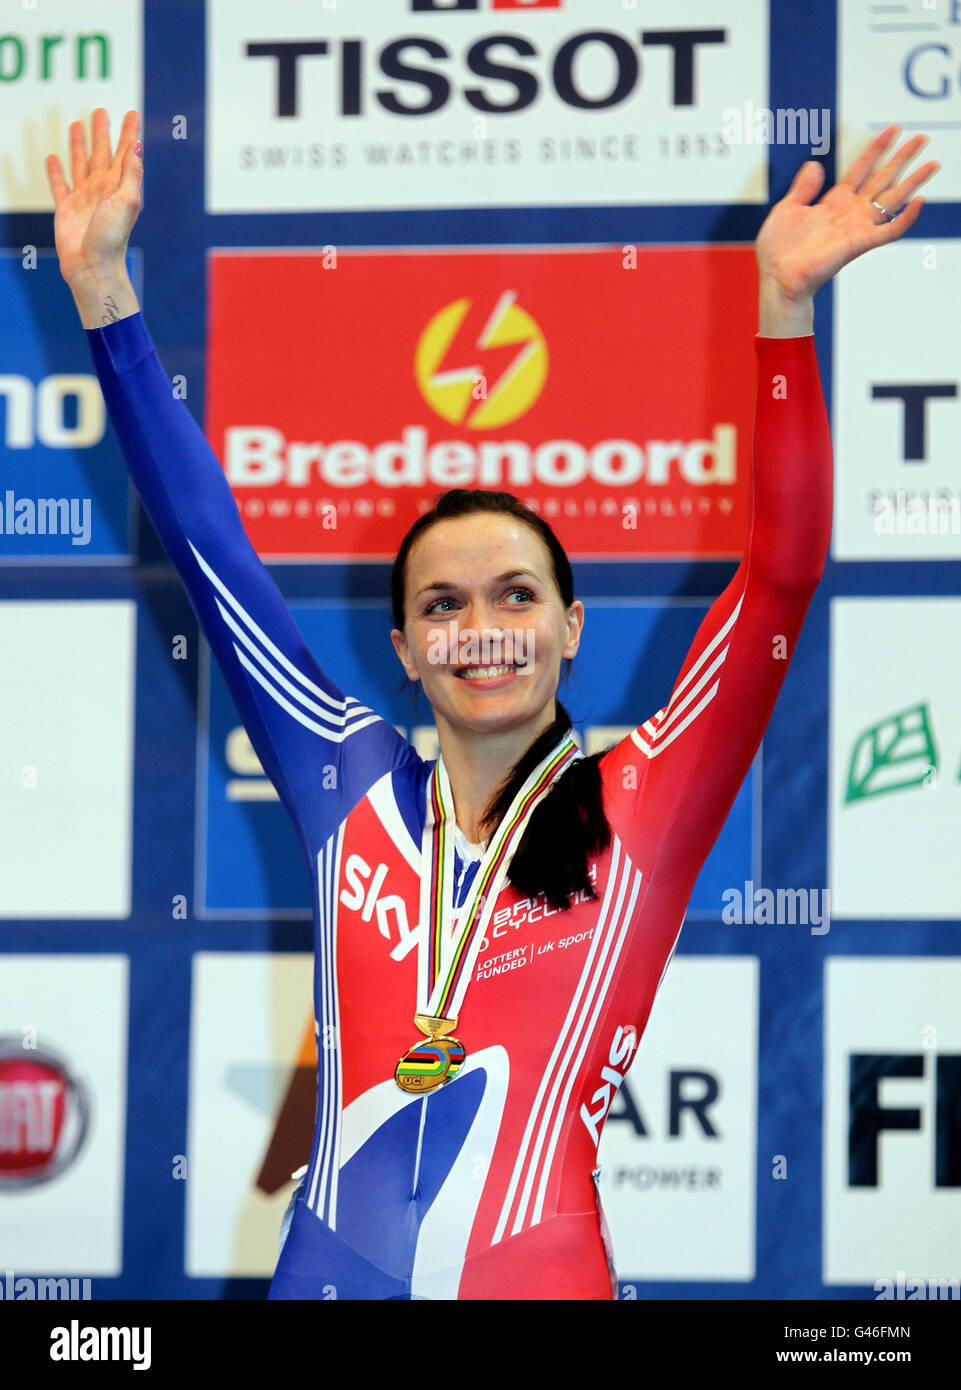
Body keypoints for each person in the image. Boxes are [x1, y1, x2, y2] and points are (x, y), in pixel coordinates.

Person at [46, 110, 937, 1300]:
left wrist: (782, 311)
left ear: (572, 628)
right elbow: (215, 564)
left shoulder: (644, 806)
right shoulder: (342, 779)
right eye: (445, 604)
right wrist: (106, 297)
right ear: (407, 647)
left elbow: (780, 572)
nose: (481, 629)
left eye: (517, 595)